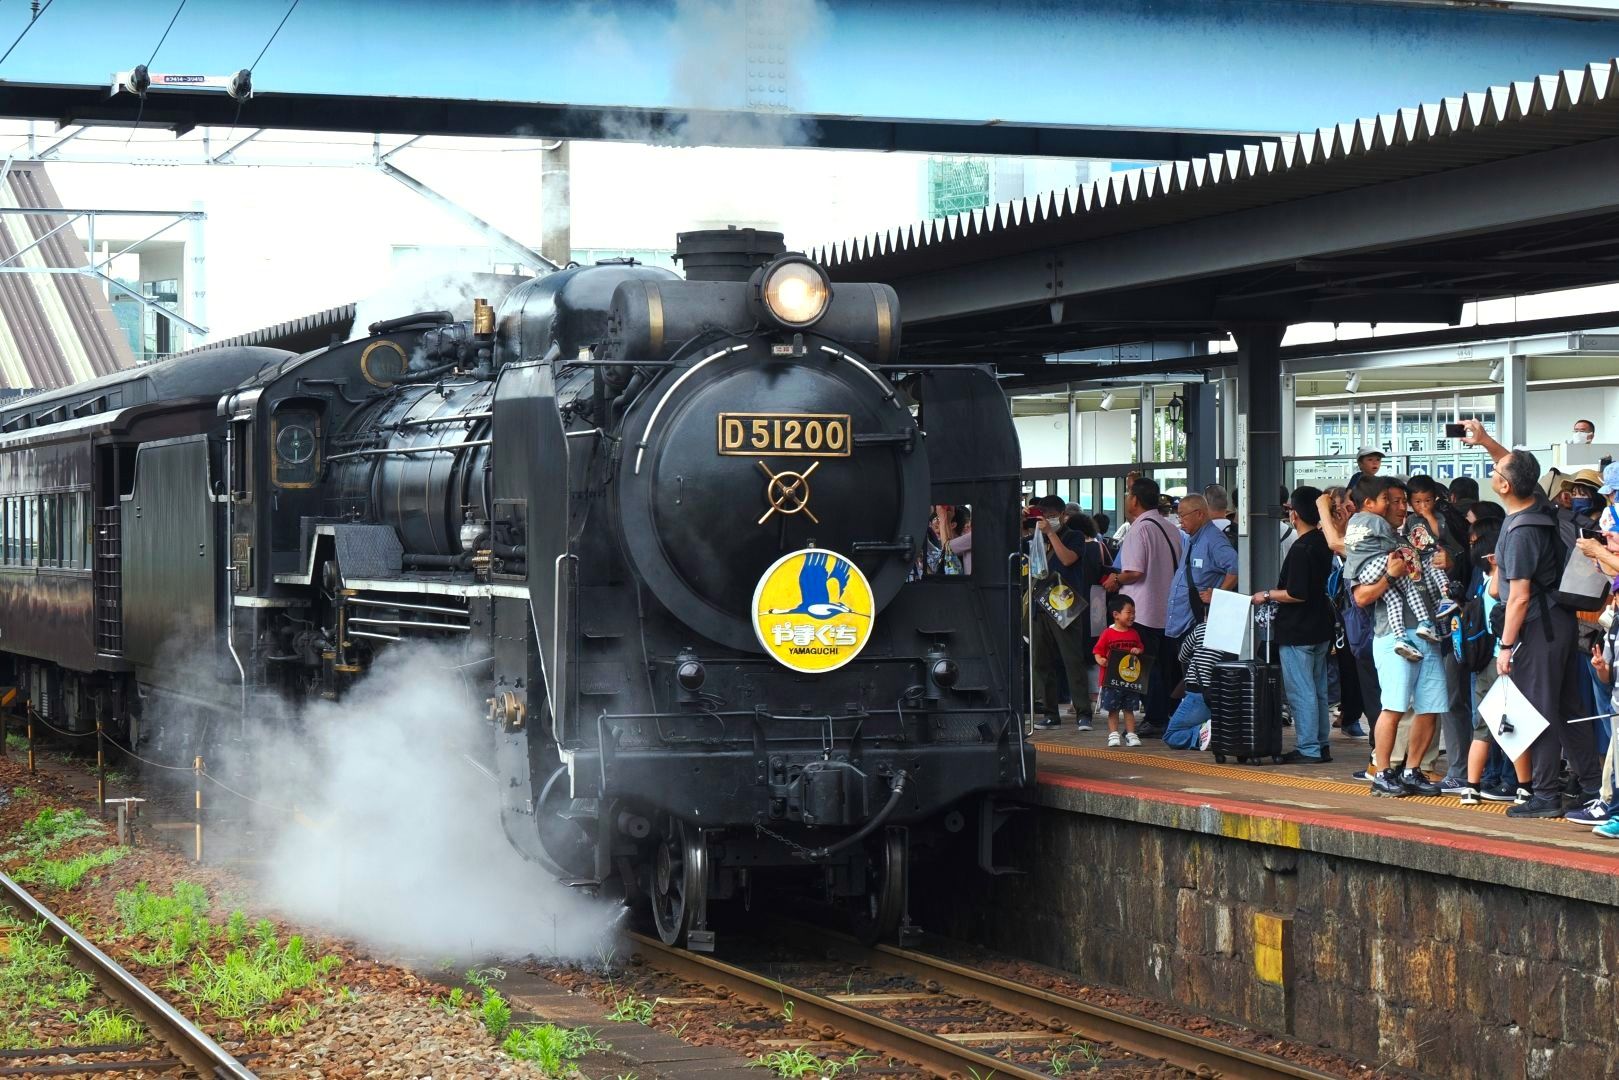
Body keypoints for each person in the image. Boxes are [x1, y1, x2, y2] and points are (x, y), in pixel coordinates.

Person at [1461, 419, 1603, 818]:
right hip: (1560, 622)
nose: (1494, 471)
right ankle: (1592, 787)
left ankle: (1545, 795)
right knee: (1568, 709)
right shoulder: (1537, 505)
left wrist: (1506, 646)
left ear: (1505, 486)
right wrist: (1485, 441)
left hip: (1537, 629)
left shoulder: (1522, 530)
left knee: (1535, 712)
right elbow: (1514, 466)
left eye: (1496, 471)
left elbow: (1519, 597)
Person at [1344, 477, 1446, 797]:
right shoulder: (1368, 542)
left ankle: (1413, 770)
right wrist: (1390, 575)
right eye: (1394, 501)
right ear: (1378, 504)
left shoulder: (1411, 535)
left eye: (1404, 501)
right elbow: (1361, 597)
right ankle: (1383, 773)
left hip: (1428, 632)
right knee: (1394, 707)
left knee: (1430, 706)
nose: (1401, 507)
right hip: (1393, 635)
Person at [1254, 486, 1336, 763]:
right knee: (1318, 690)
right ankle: (1321, 744)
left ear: (1295, 515)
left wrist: (1266, 595)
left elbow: (1296, 593)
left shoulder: (1301, 548)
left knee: (1302, 691)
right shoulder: (1324, 542)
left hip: (1297, 630)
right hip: (1320, 626)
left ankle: (1309, 748)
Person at [1112, 476, 1183, 738]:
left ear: (1135, 500)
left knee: (1145, 667)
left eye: (1127, 494)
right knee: (1167, 666)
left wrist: (1115, 579)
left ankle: (1154, 718)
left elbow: (1134, 571)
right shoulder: (1171, 528)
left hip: (1142, 610)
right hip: (1169, 610)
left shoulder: (1139, 529)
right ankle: (1169, 715)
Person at [1031, 500, 1106, 731]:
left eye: (1051, 515)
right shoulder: (1035, 537)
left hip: (1065, 604)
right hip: (1040, 604)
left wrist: (1050, 533)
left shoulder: (1074, 536)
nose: (1047, 519)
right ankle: (1050, 713)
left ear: (1063, 515)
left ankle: (1083, 713)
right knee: (1042, 662)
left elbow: (1067, 559)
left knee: (1072, 659)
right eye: (1043, 514)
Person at [1164, 494, 1238, 713]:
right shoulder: (1193, 539)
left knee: (1197, 680)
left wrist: (1219, 594)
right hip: (1183, 621)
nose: (1180, 522)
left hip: (1196, 622)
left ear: (1199, 514)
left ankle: (1197, 720)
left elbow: (1236, 567)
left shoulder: (1213, 540)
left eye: (1183, 516)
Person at [1094, 595, 1146, 747]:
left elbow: (1140, 647)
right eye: (1128, 612)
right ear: (1116, 615)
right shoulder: (1107, 633)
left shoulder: (1134, 633)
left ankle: (1131, 734)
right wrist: (1100, 660)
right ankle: (1113, 734)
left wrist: (1138, 650)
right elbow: (1097, 651)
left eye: (1134, 612)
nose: (1132, 616)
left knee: (1129, 709)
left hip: (1129, 679)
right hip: (1111, 680)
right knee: (1113, 709)